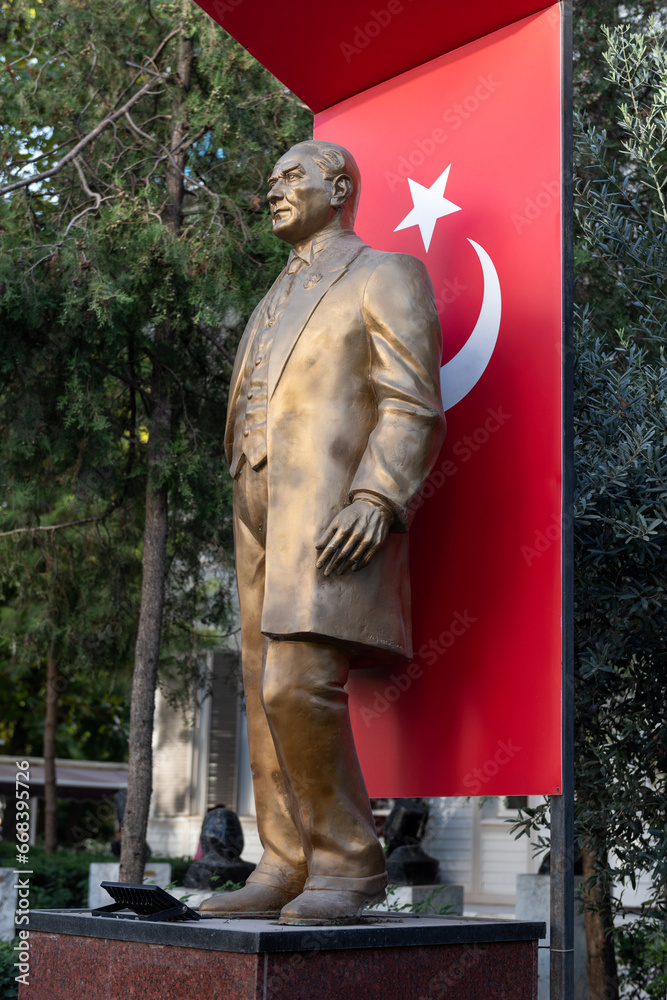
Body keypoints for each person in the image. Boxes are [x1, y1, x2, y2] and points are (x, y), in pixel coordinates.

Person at [200, 139, 445, 924]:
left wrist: (376, 496)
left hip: (331, 513)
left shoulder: (385, 273)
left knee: (296, 684)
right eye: (267, 178)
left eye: (290, 177)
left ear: (338, 187)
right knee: (262, 693)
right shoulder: (275, 293)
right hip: (257, 510)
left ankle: (347, 860)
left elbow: (411, 402)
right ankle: (284, 859)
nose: (271, 190)